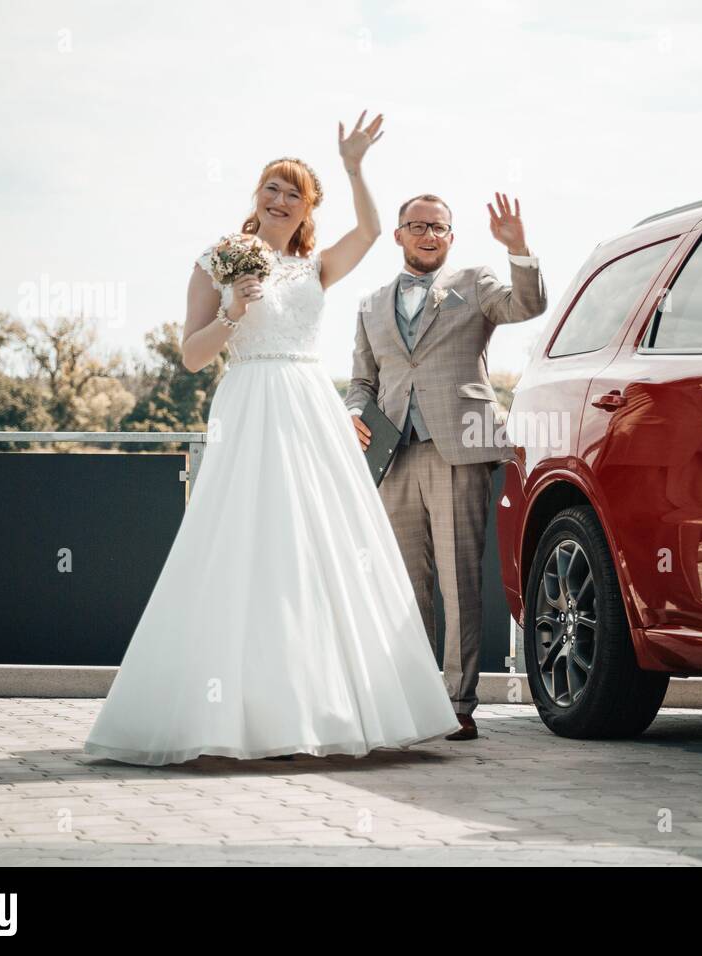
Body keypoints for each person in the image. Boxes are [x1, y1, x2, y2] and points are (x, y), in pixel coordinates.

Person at [84, 112, 460, 765]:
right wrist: (233, 311)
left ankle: (326, 707)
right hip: (250, 400)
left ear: (308, 207)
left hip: (311, 406)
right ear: (256, 195)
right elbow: (194, 357)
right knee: (243, 545)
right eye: (271, 187)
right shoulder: (218, 260)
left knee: (322, 548)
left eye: (293, 192)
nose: (279, 199)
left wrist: (352, 166)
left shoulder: (315, 268)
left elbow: (373, 230)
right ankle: (235, 713)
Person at [345, 192, 547, 739]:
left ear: (451, 236)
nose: (429, 235)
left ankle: (457, 703)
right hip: (394, 453)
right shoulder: (369, 305)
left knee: (460, 581)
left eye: (439, 227)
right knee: (406, 583)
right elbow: (363, 381)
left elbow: (526, 307)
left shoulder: (475, 283)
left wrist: (519, 250)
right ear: (399, 235)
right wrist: (352, 412)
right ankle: (411, 697)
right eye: (418, 226)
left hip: (459, 447)